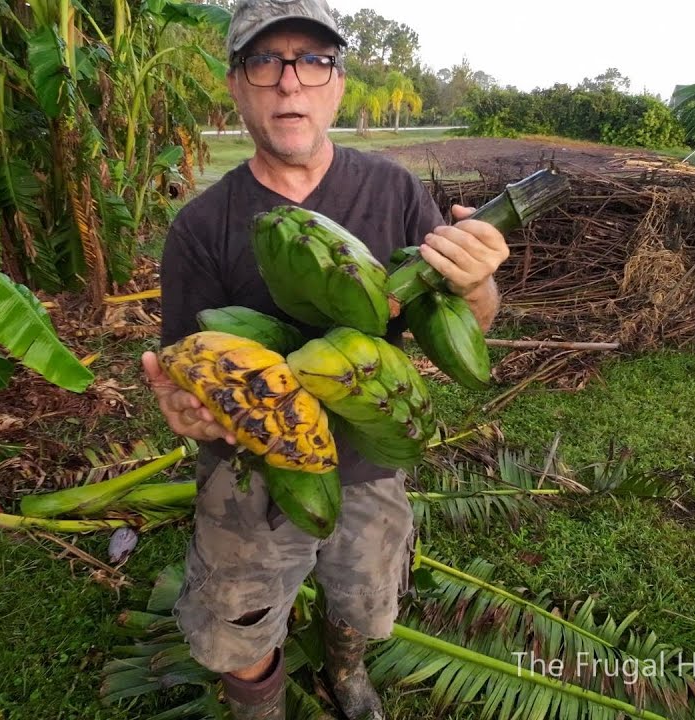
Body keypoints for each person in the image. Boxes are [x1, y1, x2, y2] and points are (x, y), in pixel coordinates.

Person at [140, 1, 509, 717]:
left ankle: (346, 674)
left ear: (337, 82)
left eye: (312, 61)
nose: (289, 83)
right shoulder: (201, 226)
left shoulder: (395, 190)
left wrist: (476, 280)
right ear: (237, 84)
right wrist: (189, 413)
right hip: (251, 465)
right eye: (264, 61)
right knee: (236, 626)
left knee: (363, 600)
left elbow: (466, 322)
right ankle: (261, 706)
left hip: (370, 459)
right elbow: (191, 361)